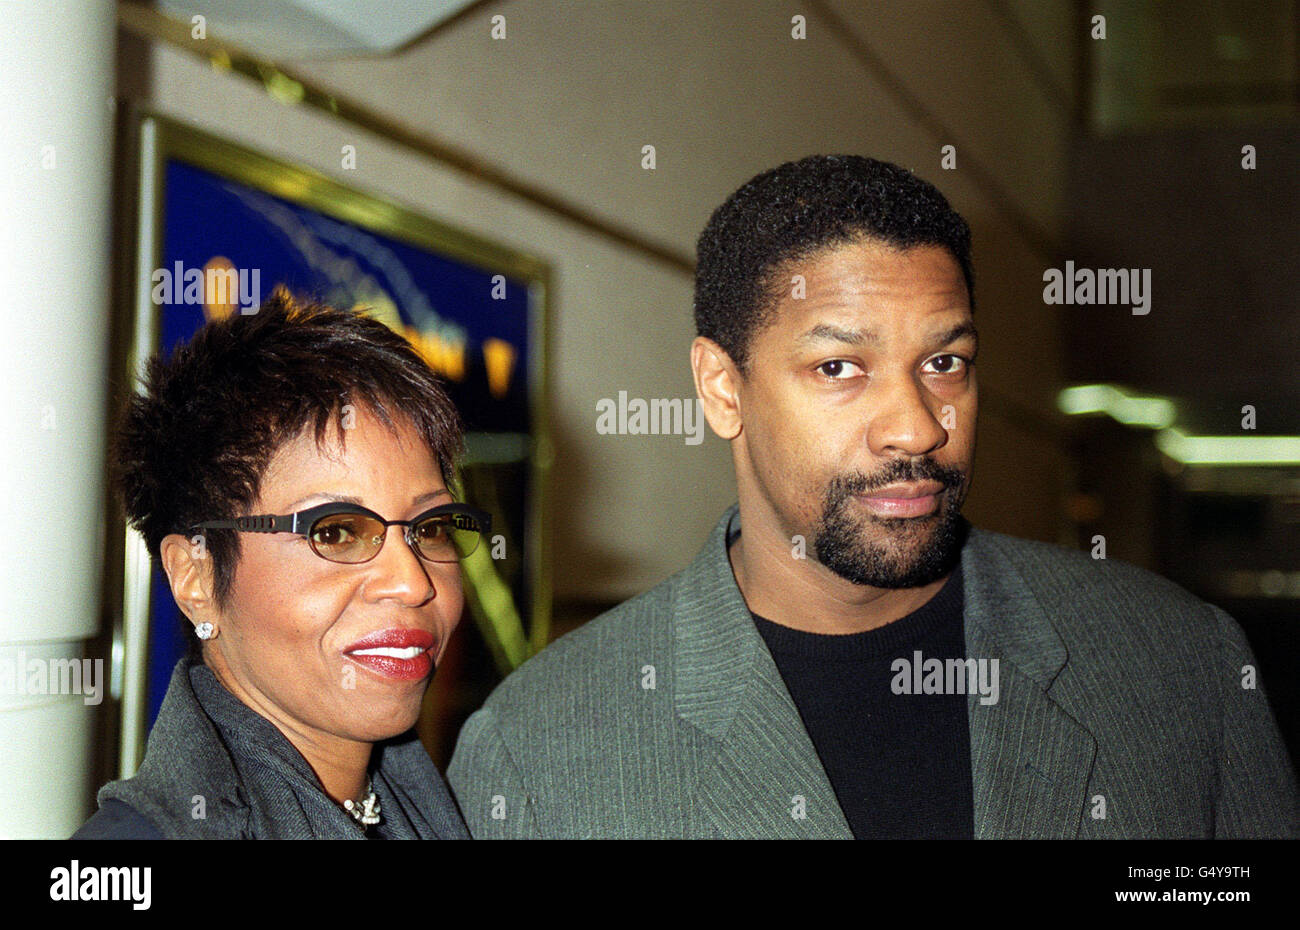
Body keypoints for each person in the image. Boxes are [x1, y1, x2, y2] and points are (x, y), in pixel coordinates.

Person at [448, 154, 1300, 839]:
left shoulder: (1180, 664)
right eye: (839, 368)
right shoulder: (540, 749)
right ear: (721, 388)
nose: (918, 428)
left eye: (943, 363)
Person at [74, 288, 483, 839]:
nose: (412, 582)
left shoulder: (440, 808)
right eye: (337, 532)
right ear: (195, 576)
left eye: (429, 528)